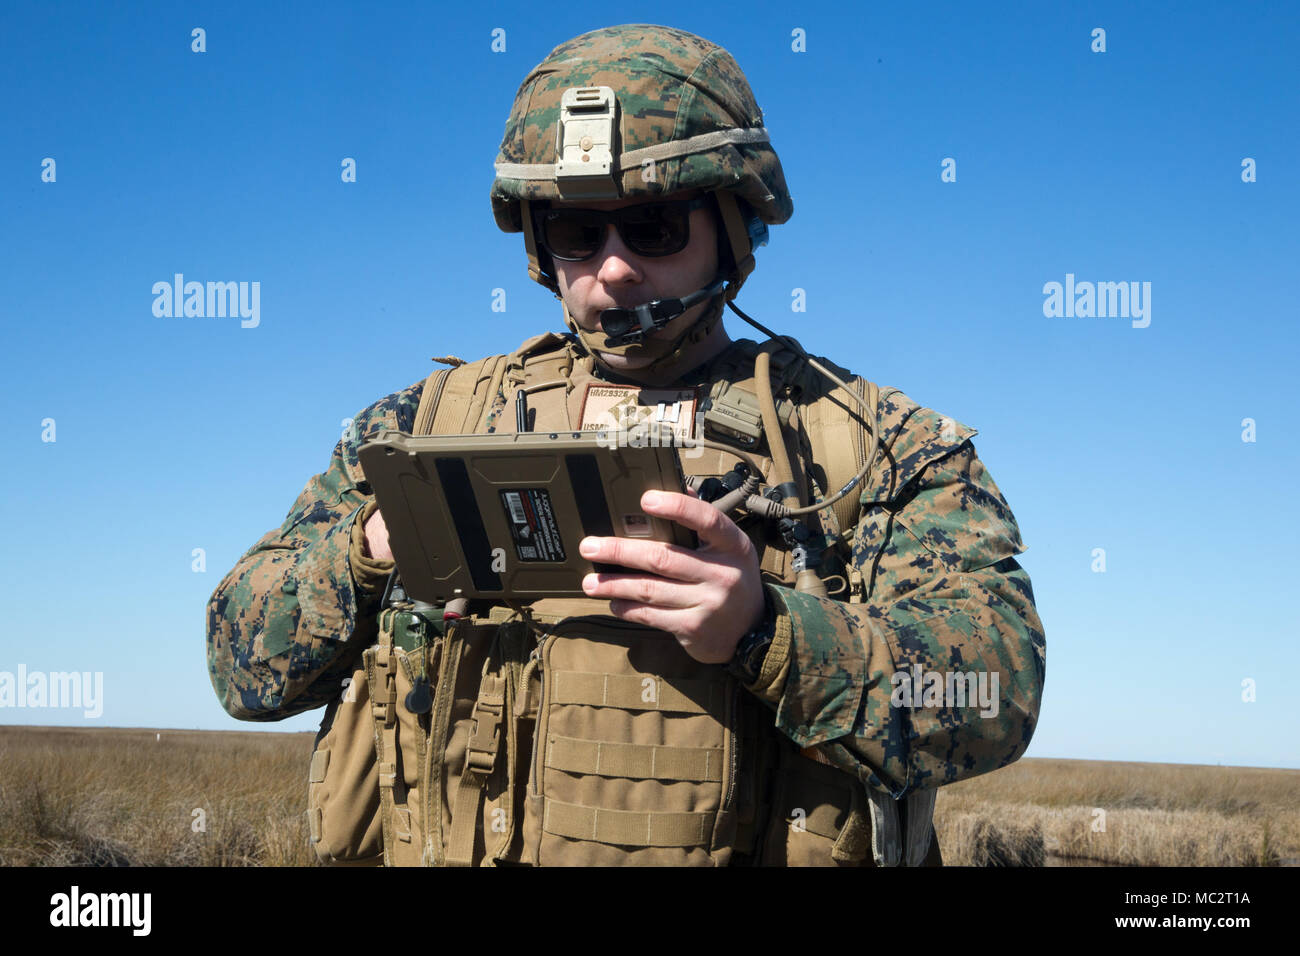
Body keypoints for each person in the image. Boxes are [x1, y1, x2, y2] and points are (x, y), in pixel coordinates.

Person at [206, 23, 1045, 867]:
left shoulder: (867, 443)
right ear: (540, 245)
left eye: (653, 226)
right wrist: (372, 547)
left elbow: (996, 693)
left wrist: (766, 632)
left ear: (732, 225)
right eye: (576, 231)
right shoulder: (420, 426)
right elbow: (240, 668)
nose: (612, 269)